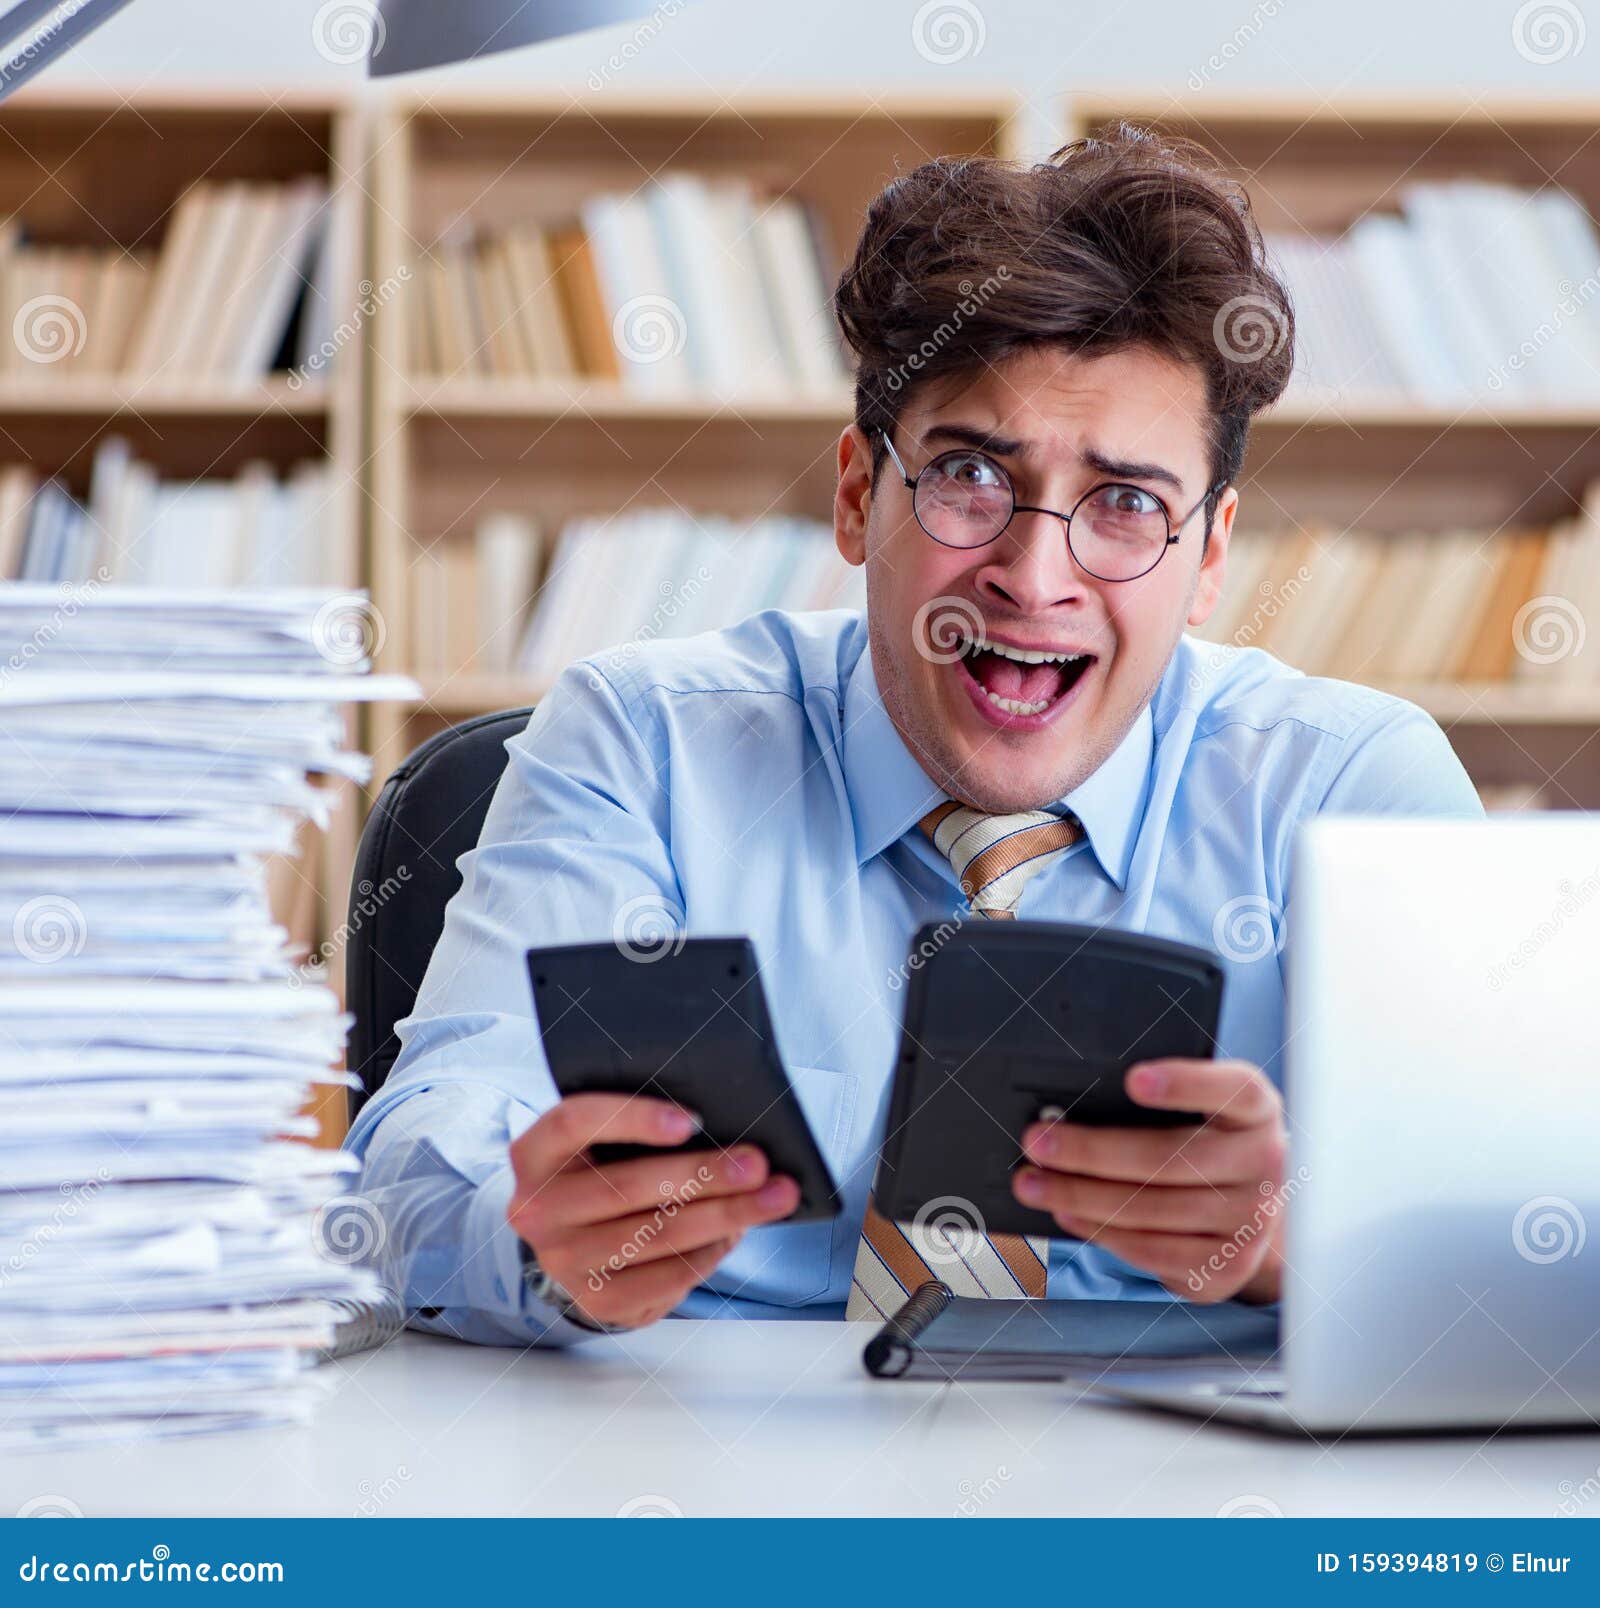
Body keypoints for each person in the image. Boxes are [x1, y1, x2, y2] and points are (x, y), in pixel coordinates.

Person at [346, 124, 1481, 1345]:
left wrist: (1298, 1245)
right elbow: (410, 1165)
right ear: (854, 496)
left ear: (1207, 559)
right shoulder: (644, 747)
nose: (1033, 574)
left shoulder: (1354, 792)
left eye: (1127, 505)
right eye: (968, 479)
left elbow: (1531, 1229)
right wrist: (532, 1244)